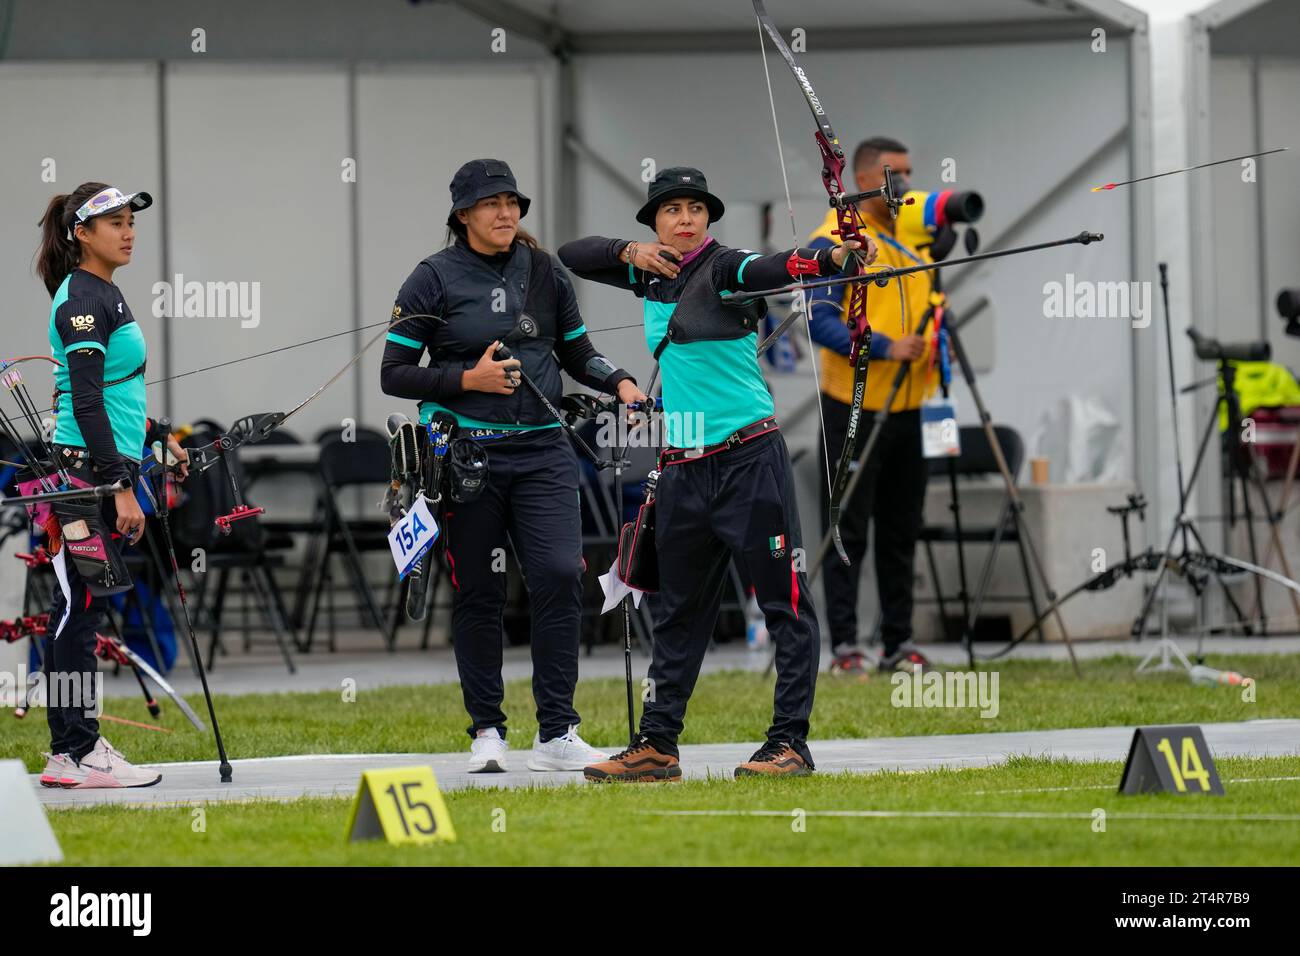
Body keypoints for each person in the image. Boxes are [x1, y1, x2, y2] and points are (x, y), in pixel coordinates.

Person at [559, 166, 876, 781]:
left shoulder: (727, 267)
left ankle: (789, 743)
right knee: (676, 612)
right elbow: (575, 254)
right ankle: (656, 746)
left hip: (747, 460)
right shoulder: (646, 274)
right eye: (672, 209)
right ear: (653, 222)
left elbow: (778, 266)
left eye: (696, 209)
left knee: (783, 603)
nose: (685, 219)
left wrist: (834, 254)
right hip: (683, 470)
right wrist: (630, 254)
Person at [380, 159, 646, 773]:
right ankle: (487, 731)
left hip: (545, 450)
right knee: (479, 589)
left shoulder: (546, 271)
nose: (505, 213)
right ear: (463, 215)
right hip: (466, 455)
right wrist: (465, 377)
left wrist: (623, 383)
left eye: (512, 202)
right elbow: (394, 373)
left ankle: (556, 731)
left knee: (557, 574)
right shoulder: (431, 279)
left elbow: (577, 350)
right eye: (491, 204)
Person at [33, 182, 189, 789]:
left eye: (131, 221)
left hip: (101, 467)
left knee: (83, 605)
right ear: (81, 233)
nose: (128, 232)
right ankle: (74, 751)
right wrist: (121, 484)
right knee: (76, 606)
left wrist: (154, 435)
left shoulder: (104, 292)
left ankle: (75, 751)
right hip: (85, 477)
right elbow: (87, 403)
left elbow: (112, 395)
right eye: (114, 222)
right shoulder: (81, 298)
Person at [806, 137, 936, 676]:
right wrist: (885, 347)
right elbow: (821, 322)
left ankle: (898, 643)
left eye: (908, 173)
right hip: (851, 407)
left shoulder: (912, 236)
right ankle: (845, 647)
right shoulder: (832, 239)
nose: (904, 185)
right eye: (892, 175)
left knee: (902, 528)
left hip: (911, 408)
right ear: (863, 178)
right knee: (847, 529)